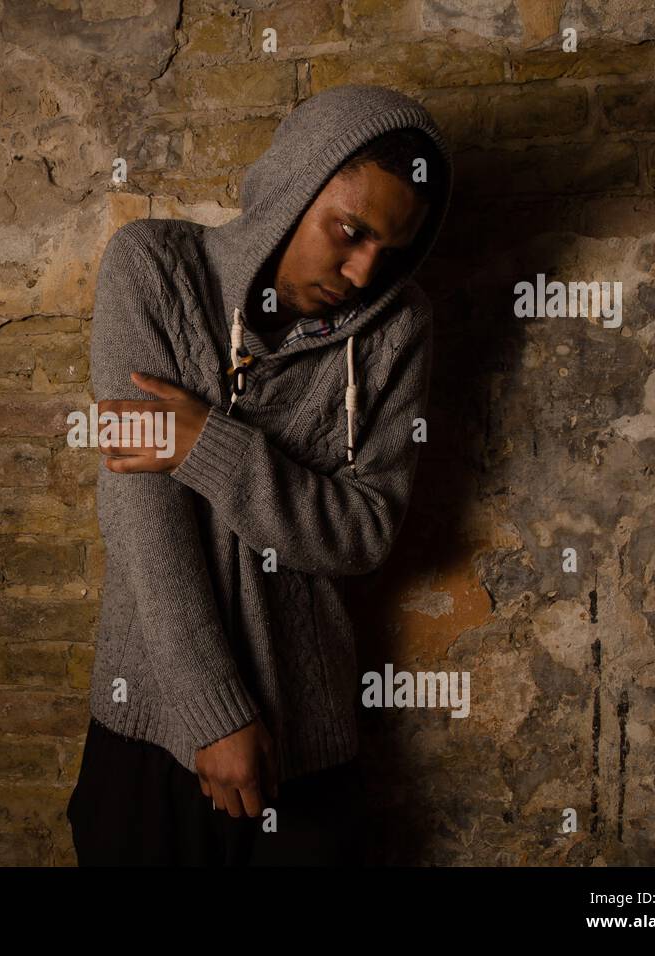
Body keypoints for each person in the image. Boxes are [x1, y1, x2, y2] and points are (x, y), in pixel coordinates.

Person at [68, 84, 454, 866]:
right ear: (293, 188)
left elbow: (364, 531)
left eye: (391, 249)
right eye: (349, 231)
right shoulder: (152, 269)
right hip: (149, 730)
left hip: (305, 742)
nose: (362, 269)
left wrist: (208, 442)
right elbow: (144, 512)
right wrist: (213, 712)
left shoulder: (398, 330)